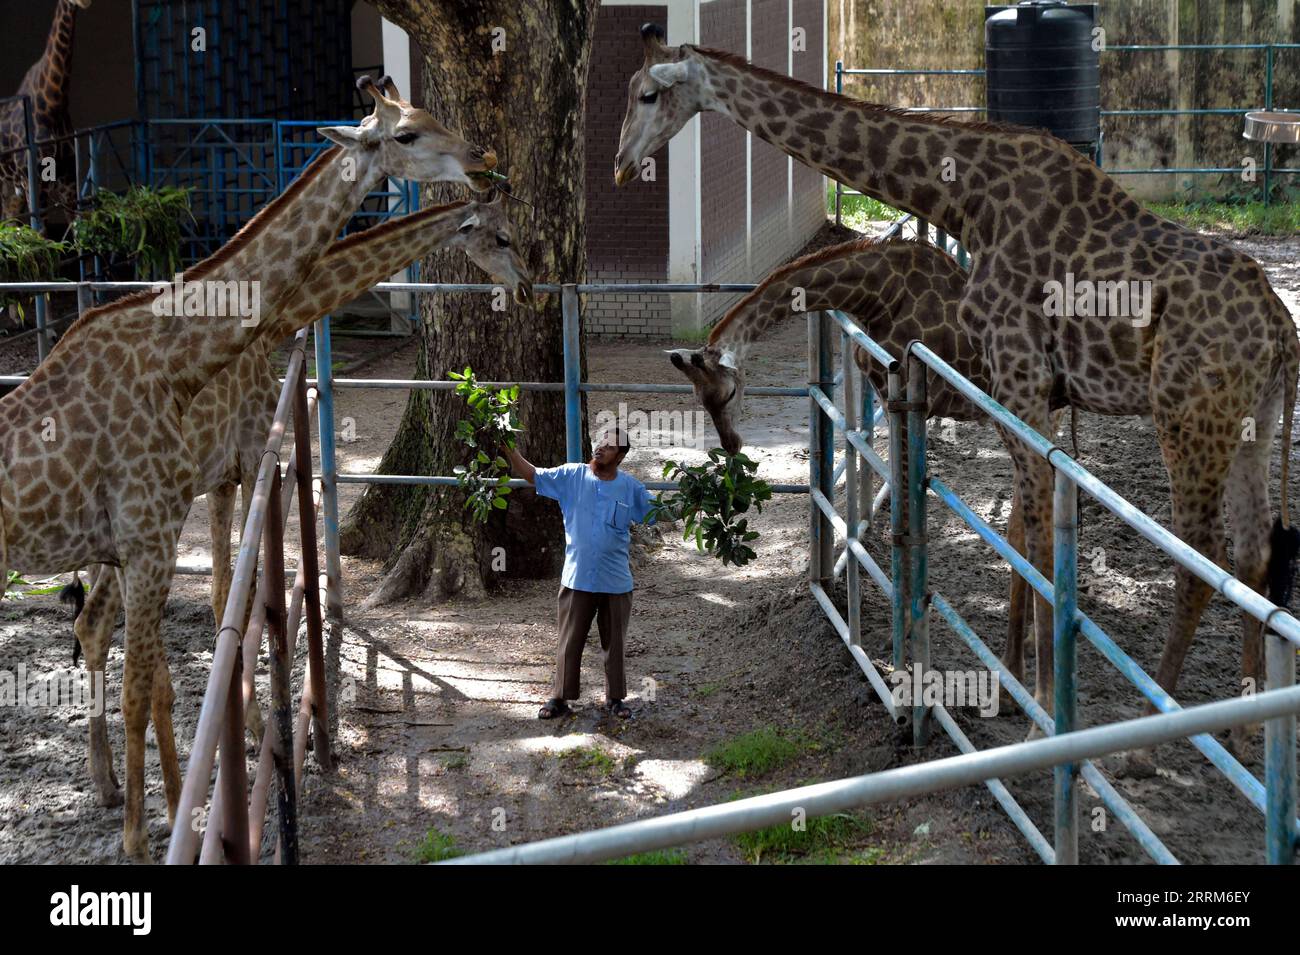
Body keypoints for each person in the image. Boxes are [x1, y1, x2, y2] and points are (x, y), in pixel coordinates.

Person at [504, 426, 655, 719]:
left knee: (615, 643)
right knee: (569, 641)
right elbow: (533, 475)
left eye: (610, 447)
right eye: (601, 443)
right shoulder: (572, 476)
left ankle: (615, 699)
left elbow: (658, 512)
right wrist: (509, 450)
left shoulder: (630, 488)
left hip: (616, 580)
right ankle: (559, 697)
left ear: (620, 456)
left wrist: (699, 500)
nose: (601, 448)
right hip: (578, 577)